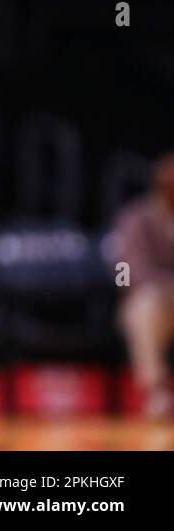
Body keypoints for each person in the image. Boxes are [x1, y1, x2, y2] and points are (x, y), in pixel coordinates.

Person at [114, 153, 174, 419]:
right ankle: (156, 395)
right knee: (143, 306)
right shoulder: (135, 218)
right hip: (156, 300)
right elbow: (126, 272)